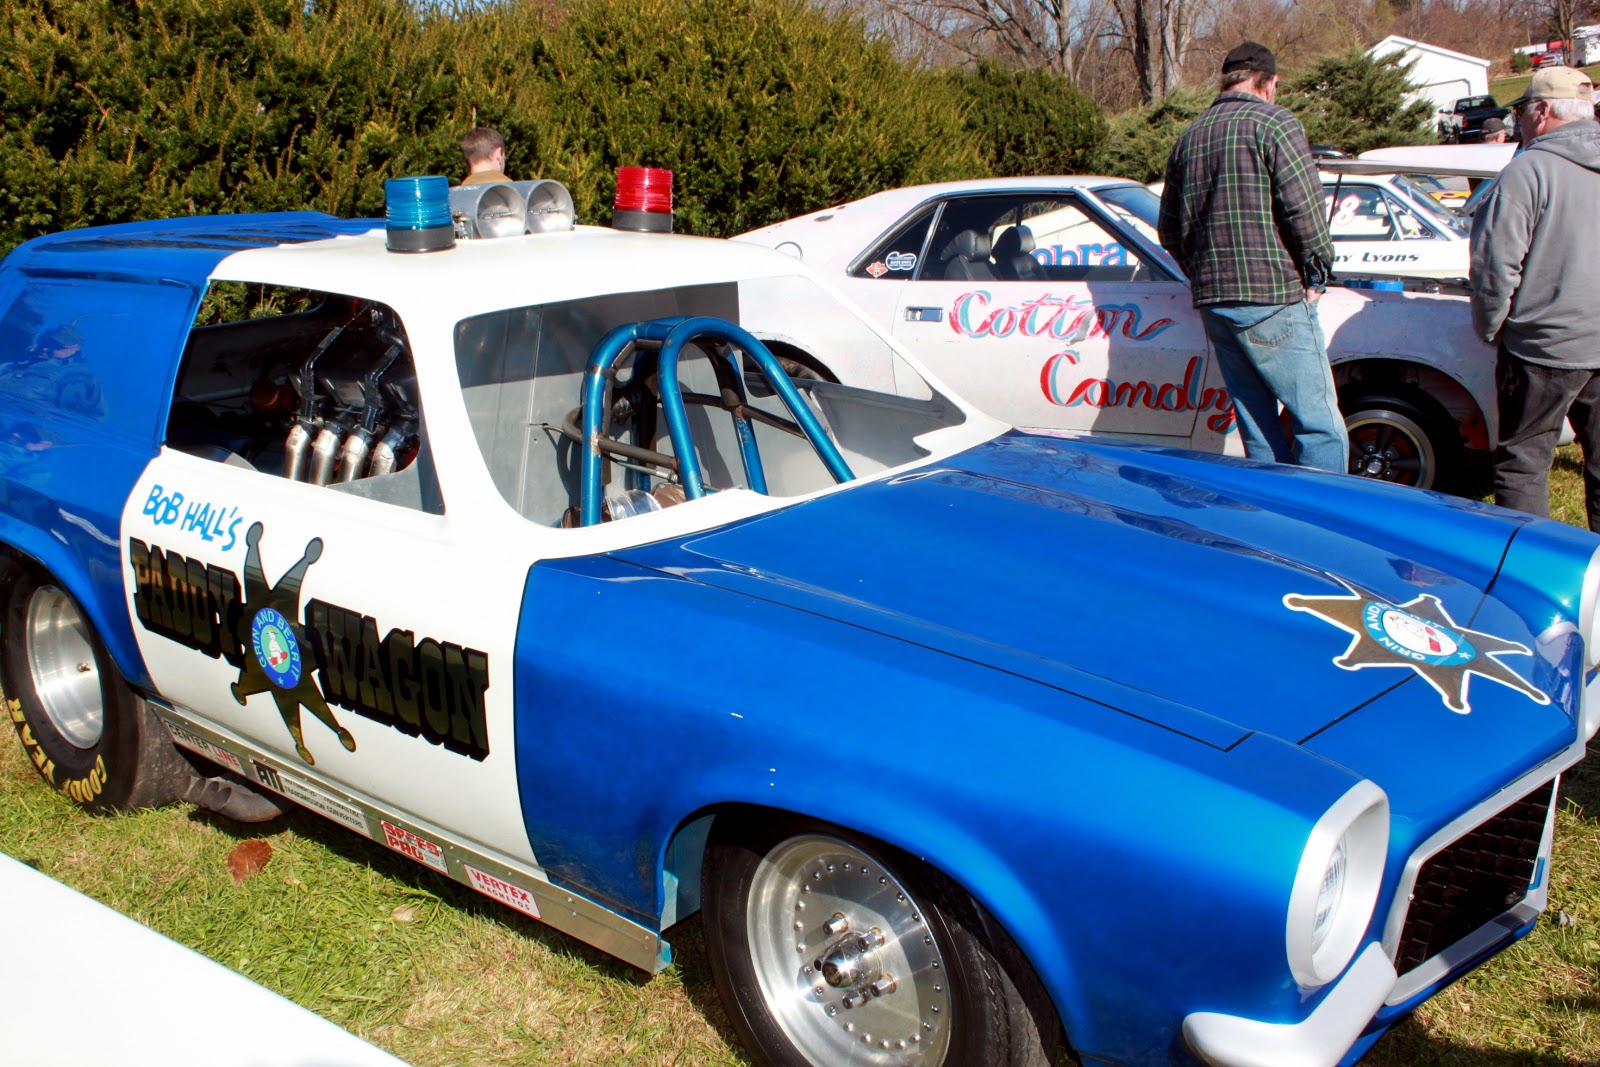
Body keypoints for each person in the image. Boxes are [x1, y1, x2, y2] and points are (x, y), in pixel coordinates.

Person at [1158, 41, 1347, 473]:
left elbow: (1169, 229)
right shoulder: (1275, 123)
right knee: (1318, 426)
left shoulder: (1190, 136)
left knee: (1257, 429)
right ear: (1269, 83)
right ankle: (1329, 529)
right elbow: (1304, 210)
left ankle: (1274, 525)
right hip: (1273, 296)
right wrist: (1317, 275)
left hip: (1216, 303)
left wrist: (1202, 276)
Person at [1470, 66, 1600, 529]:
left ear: (1543, 111)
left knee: (1522, 463)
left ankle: (1528, 573)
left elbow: (1494, 263)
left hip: (1543, 346)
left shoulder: (1528, 170)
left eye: (1524, 110)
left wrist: (1490, 325)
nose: (1521, 119)